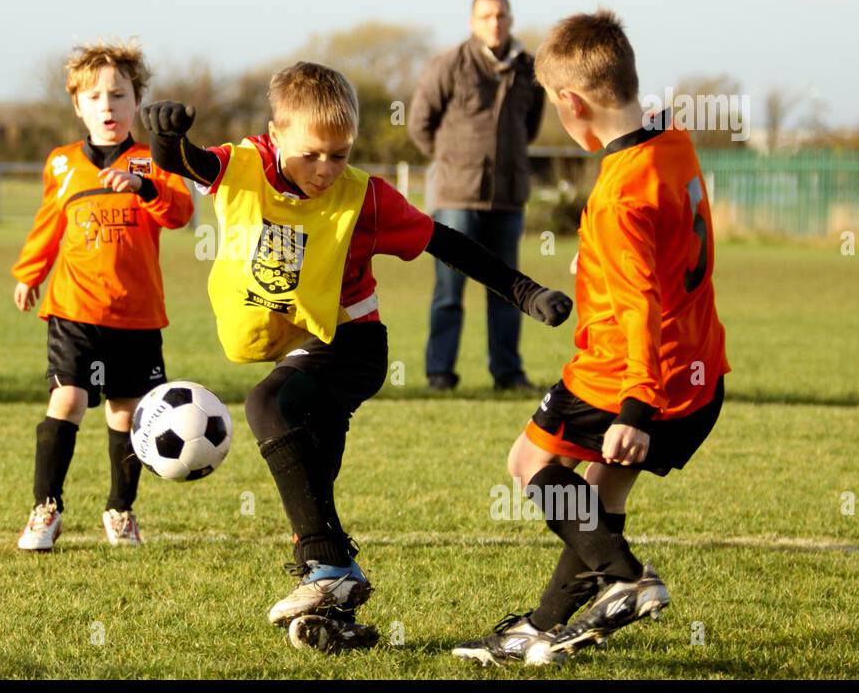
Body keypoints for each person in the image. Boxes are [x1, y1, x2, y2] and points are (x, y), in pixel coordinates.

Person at [144, 62, 571, 652]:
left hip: (352, 345)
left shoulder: (363, 198)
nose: (326, 170)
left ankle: (329, 569)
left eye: (339, 155)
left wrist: (524, 291)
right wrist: (165, 138)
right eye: (312, 154)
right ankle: (334, 605)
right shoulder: (244, 166)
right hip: (300, 346)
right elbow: (186, 162)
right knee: (314, 478)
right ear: (276, 134)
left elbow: (443, 241)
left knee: (267, 406)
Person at [452, 11, 729, 667]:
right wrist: (598, 262)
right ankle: (540, 627)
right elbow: (656, 253)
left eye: (553, 101)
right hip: (699, 373)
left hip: (627, 373)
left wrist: (634, 407)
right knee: (599, 499)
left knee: (529, 464)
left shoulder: (615, 199)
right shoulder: (673, 139)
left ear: (570, 102)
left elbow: (639, 301)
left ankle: (628, 579)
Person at [11, 41, 192, 550]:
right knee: (67, 400)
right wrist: (29, 272)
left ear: (137, 101)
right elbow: (50, 225)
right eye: (94, 97)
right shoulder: (63, 164)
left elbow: (181, 215)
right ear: (78, 105)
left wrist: (144, 188)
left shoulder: (152, 161)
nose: (107, 106)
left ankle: (120, 510)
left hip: (136, 314)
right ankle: (46, 509)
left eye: (118, 95)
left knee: (126, 414)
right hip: (73, 309)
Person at [409, 0, 545, 392]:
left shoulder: (528, 69)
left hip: (507, 198)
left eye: (501, 15)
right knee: (449, 292)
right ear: (472, 22)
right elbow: (419, 124)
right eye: (486, 16)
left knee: (509, 290)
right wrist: (453, 160)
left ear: (511, 19)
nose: (495, 23)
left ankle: (508, 374)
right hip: (455, 198)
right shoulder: (448, 64)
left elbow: (531, 127)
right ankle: (440, 374)